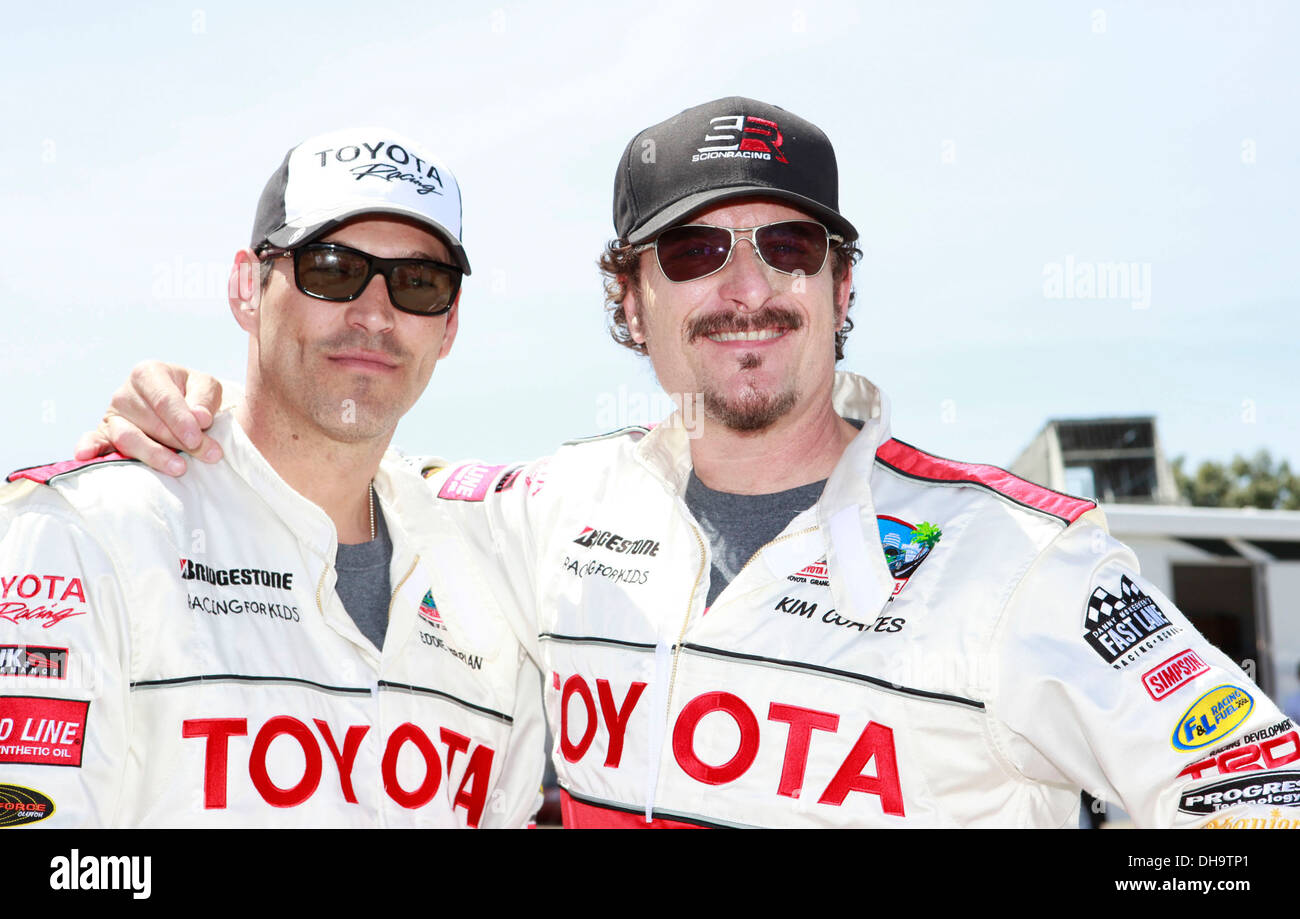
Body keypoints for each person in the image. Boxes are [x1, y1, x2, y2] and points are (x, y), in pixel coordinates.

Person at [79, 99, 1300, 828]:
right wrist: (183, 419)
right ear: (631, 300)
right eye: (693, 254)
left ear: (840, 283)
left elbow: (1257, 794)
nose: (747, 288)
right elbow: (330, 462)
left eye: (788, 244)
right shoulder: (536, 517)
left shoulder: (1018, 555)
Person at [0, 127, 544, 827]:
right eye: (332, 267)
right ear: (245, 288)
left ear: (449, 324)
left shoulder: (495, 574)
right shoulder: (87, 531)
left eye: (418, 283)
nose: (375, 313)